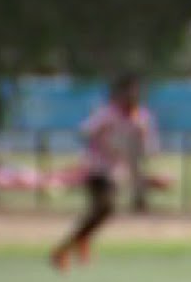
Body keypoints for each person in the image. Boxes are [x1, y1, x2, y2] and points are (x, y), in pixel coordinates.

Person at [49, 73, 157, 271]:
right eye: (129, 91)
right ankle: (66, 248)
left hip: (115, 171)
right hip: (97, 168)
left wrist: (140, 169)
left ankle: (76, 243)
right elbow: (85, 132)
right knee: (105, 207)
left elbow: (144, 150)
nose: (133, 95)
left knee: (102, 211)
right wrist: (105, 142)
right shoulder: (108, 114)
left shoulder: (140, 118)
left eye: (136, 91)